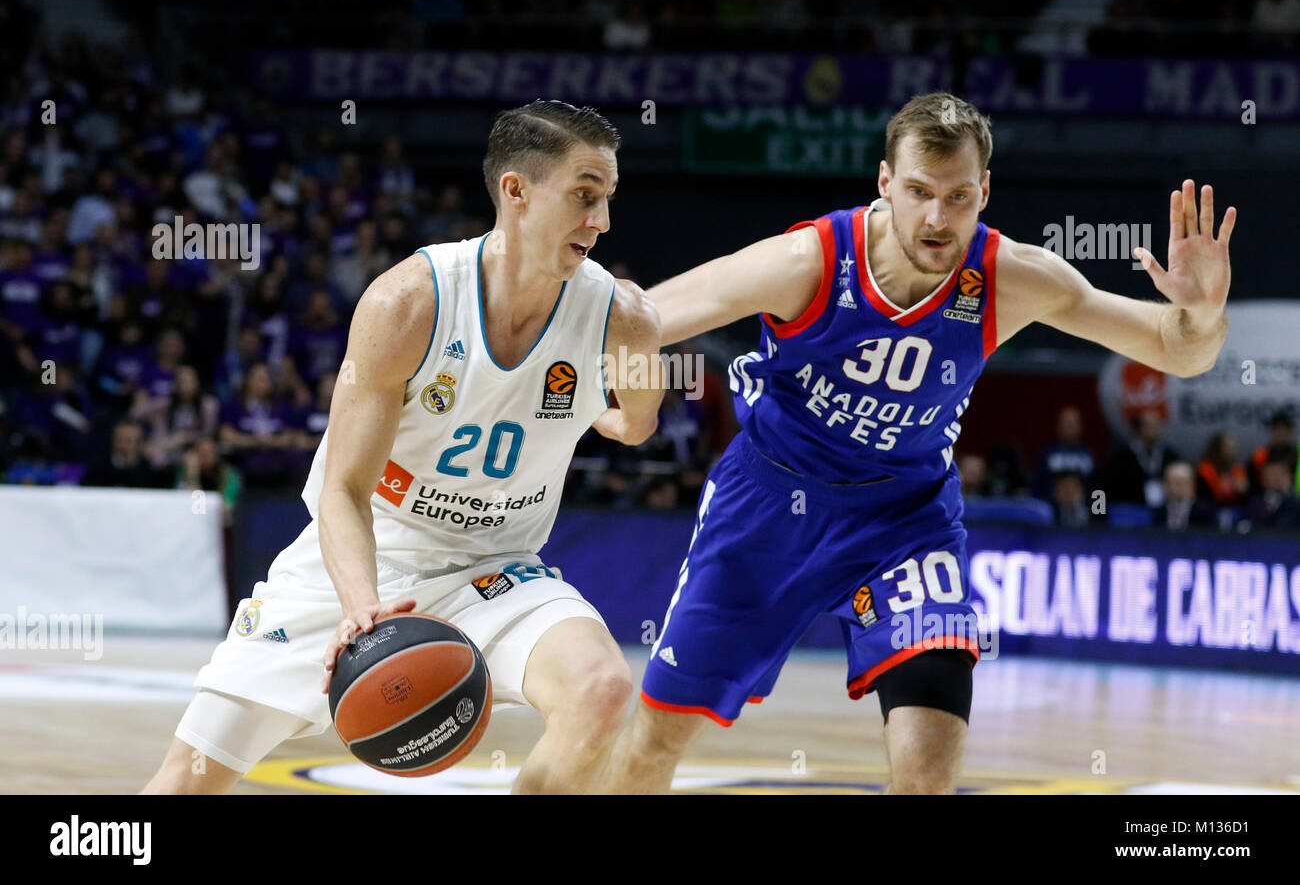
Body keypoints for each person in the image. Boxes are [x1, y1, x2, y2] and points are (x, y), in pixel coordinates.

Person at [605, 91, 1234, 795]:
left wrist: (1203, 313)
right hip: (768, 504)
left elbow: (1180, 352)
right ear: (885, 184)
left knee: (927, 779)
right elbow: (639, 317)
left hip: (905, 520)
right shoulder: (806, 261)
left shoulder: (1013, 278)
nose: (938, 218)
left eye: (959, 197)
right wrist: (627, 410)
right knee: (651, 748)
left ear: (985, 192)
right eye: (919, 193)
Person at [142, 99, 662, 795]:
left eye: (608, 200)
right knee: (184, 782)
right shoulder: (410, 303)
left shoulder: (623, 319)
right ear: (515, 191)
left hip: (495, 569)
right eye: (583, 196)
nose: (600, 221)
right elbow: (344, 490)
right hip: (365, 560)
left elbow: (638, 424)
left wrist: (607, 408)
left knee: (600, 689)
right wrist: (363, 611)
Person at [1152, 460, 1216, 531]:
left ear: (1191, 485)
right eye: (1168, 483)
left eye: (1178, 483)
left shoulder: (1204, 512)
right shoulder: (1159, 512)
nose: (1172, 488)